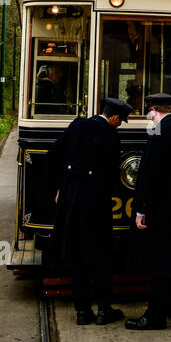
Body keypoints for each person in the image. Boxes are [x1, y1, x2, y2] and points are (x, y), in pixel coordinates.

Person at [50, 96, 133, 324]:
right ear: (114, 116)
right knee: (101, 254)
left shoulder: (77, 125)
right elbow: (111, 174)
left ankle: (82, 312)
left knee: (77, 254)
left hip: (73, 199)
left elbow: (55, 151)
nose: (120, 124)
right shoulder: (112, 137)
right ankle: (104, 310)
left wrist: (63, 184)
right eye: (121, 120)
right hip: (97, 201)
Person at [126, 92, 171, 330]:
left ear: (154, 109)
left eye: (149, 112)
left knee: (159, 263)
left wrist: (141, 209)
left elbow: (150, 176)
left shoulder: (159, 133)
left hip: (162, 211)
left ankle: (155, 316)